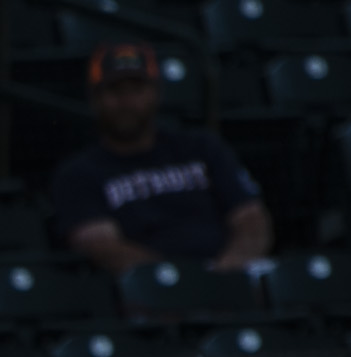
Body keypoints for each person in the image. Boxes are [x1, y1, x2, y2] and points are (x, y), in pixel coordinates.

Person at [50, 41, 273, 274]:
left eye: (136, 90)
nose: (127, 102)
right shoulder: (79, 172)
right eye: (115, 91)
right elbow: (101, 246)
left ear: (156, 93)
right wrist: (176, 280)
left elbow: (251, 219)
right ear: (95, 99)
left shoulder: (201, 147)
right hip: (148, 290)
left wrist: (228, 269)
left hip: (228, 272)